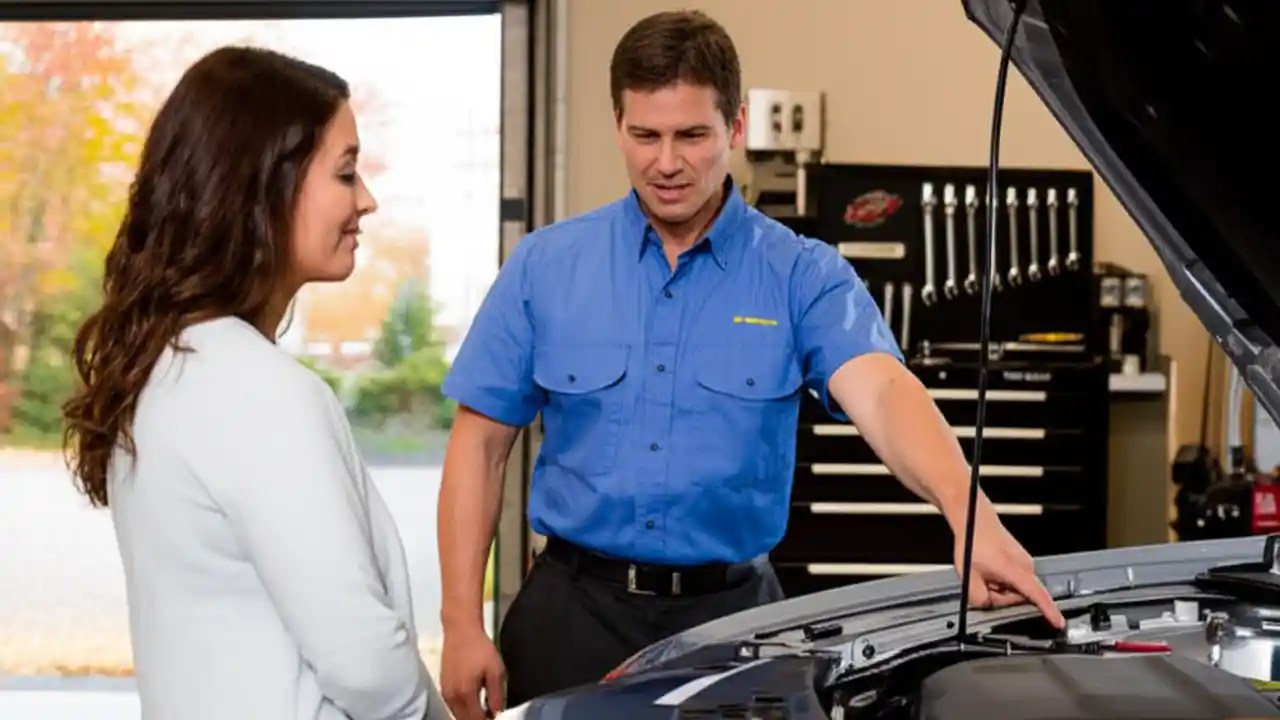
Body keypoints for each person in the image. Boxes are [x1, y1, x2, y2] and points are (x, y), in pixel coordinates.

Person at [436, 9, 1066, 718]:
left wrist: (968, 511)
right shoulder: (546, 267)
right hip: (570, 616)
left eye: (692, 135)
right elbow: (480, 447)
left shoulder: (803, 275)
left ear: (735, 128)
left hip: (734, 625)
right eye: (644, 135)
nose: (665, 161)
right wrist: (461, 622)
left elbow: (885, 392)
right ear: (618, 125)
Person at [60, 46, 447, 720]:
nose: (367, 201)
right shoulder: (259, 392)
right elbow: (365, 662)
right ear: (265, 185)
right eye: (347, 173)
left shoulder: (162, 365)